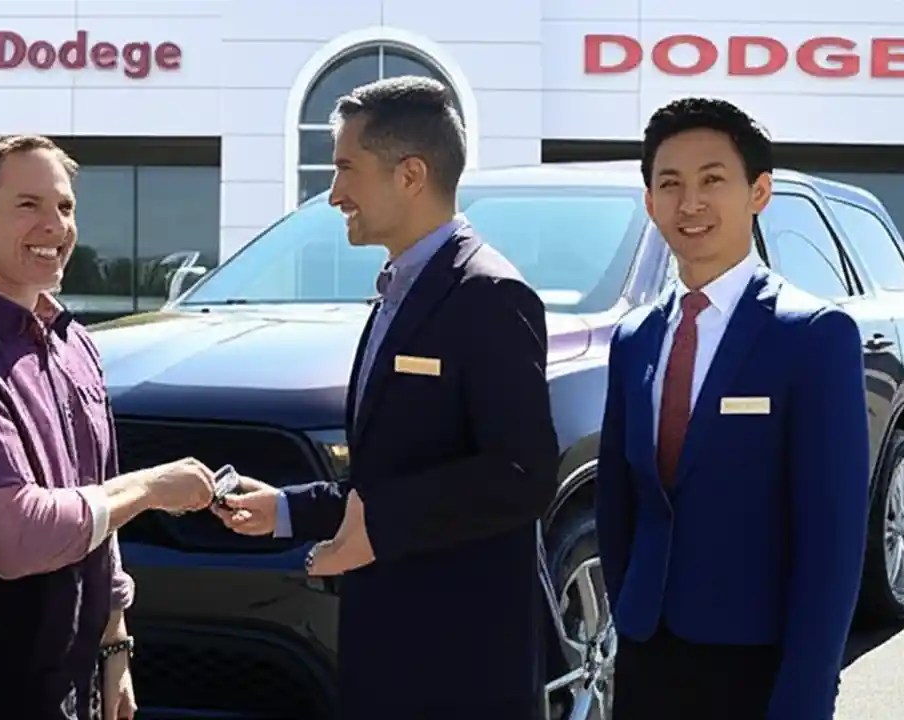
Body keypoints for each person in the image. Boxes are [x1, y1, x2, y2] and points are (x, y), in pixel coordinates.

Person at [210, 76, 561, 719]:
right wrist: (285, 510)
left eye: (346, 168)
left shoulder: (489, 295)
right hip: (391, 659)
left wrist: (373, 532)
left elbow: (521, 475)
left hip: (458, 672)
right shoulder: (400, 290)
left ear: (410, 174)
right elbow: (397, 474)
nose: (335, 193)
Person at [595, 97, 870, 720]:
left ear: (759, 192)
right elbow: (619, 502)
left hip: (757, 668)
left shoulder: (813, 336)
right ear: (650, 202)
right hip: (648, 659)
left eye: (712, 180)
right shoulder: (635, 336)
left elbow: (832, 541)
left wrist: (806, 692)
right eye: (670, 184)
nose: (690, 203)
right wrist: (628, 612)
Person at [0, 133, 215, 720]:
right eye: (28, 205)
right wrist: (155, 488)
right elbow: (13, 538)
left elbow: (99, 517)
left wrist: (115, 645)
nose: (55, 226)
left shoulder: (75, 343)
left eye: (64, 207)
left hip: (77, 678)